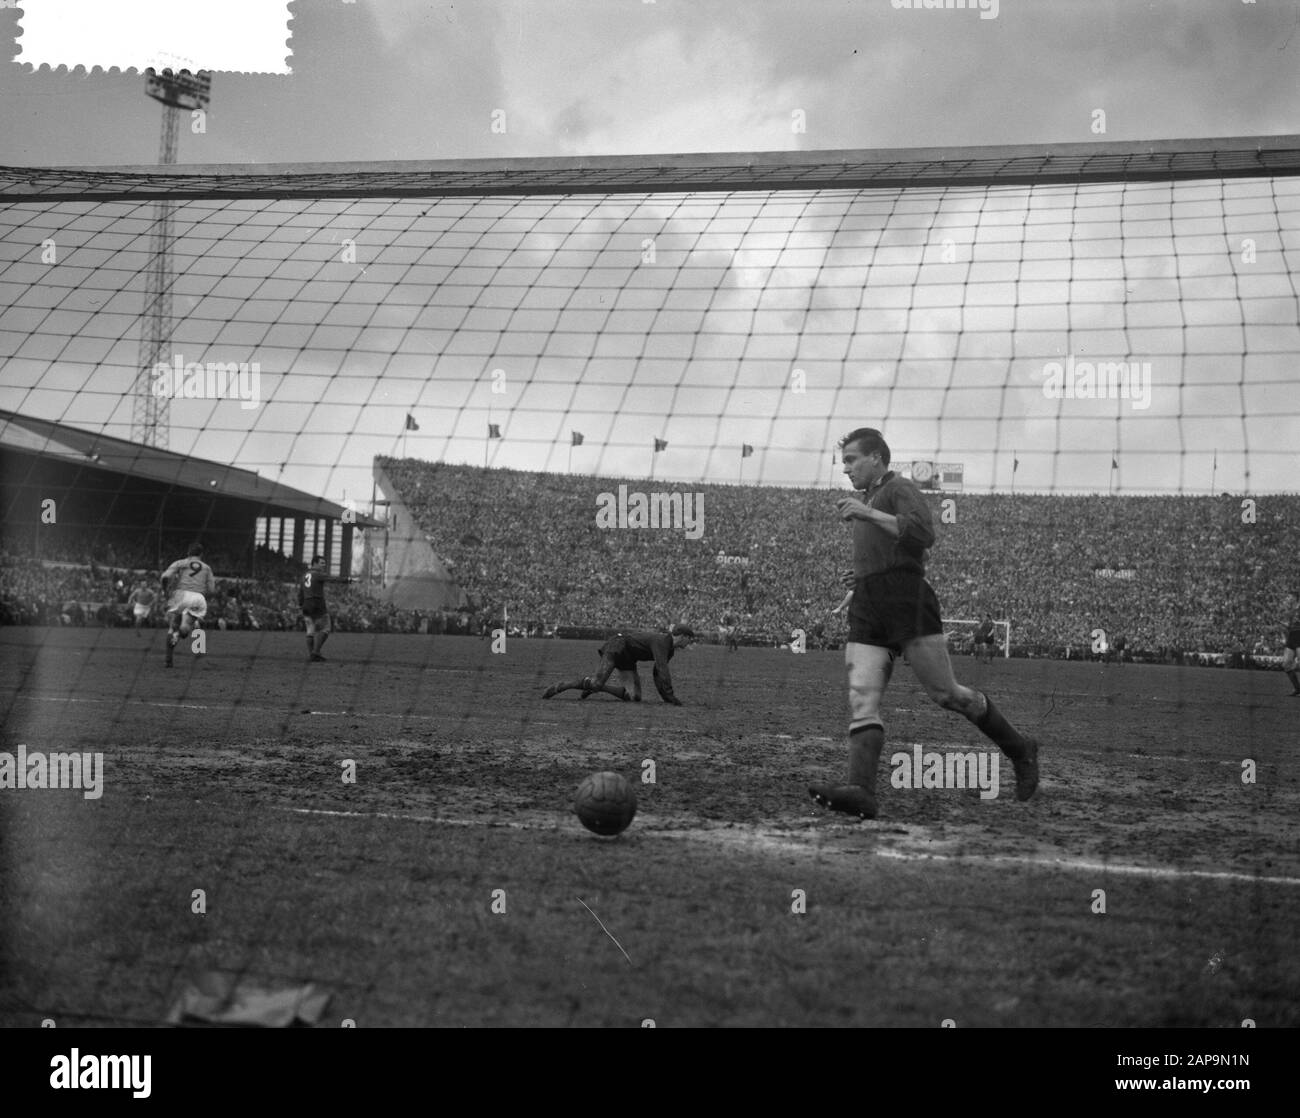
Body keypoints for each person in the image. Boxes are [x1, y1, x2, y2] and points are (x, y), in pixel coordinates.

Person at [809, 428, 1040, 820]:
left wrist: (866, 514)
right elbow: (885, 551)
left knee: (948, 695)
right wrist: (860, 577)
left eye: (851, 459)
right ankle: (861, 790)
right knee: (862, 698)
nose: (845, 468)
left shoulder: (900, 489)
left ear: (877, 458)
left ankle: (1020, 749)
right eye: (844, 461)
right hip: (868, 603)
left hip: (905, 598)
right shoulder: (868, 500)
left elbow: (922, 534)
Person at [541, 625, 694, 703]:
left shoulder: (669, 649)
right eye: (690, 639)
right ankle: (562, 685)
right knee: (595, 683)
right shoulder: (662, 643)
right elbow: (661, 669)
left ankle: (597, 688)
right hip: (617, 646)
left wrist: (667, 697)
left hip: (628, 657)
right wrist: (671, 696)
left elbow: (657, 673)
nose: (690, 643)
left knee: (634, 697)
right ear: (682, 636)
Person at [160, 544, 215, 667]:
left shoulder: (180, 563)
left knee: (173, 626)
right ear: (201, 554)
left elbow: (165, 576)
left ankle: (168, 659)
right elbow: (211, 590)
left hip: (179, 595)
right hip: (196, 597)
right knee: (185, 628)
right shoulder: (207, 568)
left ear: (188, 553)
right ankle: (190, 641)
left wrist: (165, 591)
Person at [298, 554, 339, 662]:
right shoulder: (317, 574)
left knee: (310, 630)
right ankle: (316, 652)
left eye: (324, 563)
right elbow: (333, 579)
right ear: (315, 563)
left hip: (306, 605)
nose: (324, 565)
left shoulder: (304, 576)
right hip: (317, 604)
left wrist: (300, 605)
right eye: (322, 563)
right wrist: (348, 580)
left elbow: (300, 593)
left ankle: (312, 655)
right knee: (326, 627)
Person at [1284, 607, 1300, 696]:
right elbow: (1290, 626)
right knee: (1286, 665)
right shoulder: (1293, 610)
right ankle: (1298, 688)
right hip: (1292, 638)